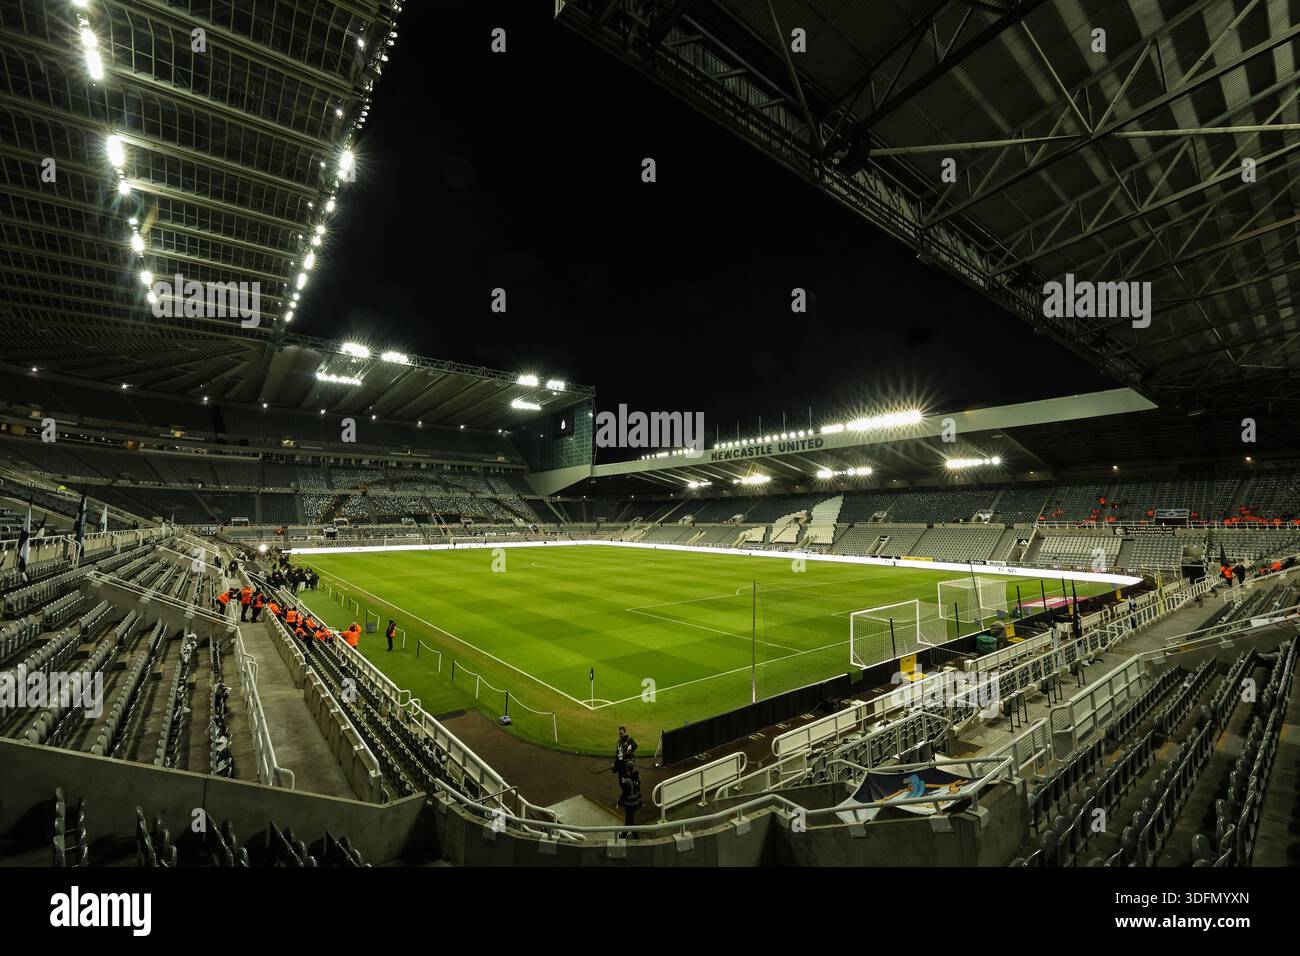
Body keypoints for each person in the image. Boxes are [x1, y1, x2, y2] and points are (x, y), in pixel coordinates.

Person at [618, 760, 643, 839]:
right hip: (636, 801)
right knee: (629, 819)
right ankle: (624, 835)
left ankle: (635, 837)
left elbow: (625, 792)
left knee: (630, 820)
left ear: (627, 769)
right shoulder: (637, 776)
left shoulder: (627, 780)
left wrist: (619, 803)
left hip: (630, 803)